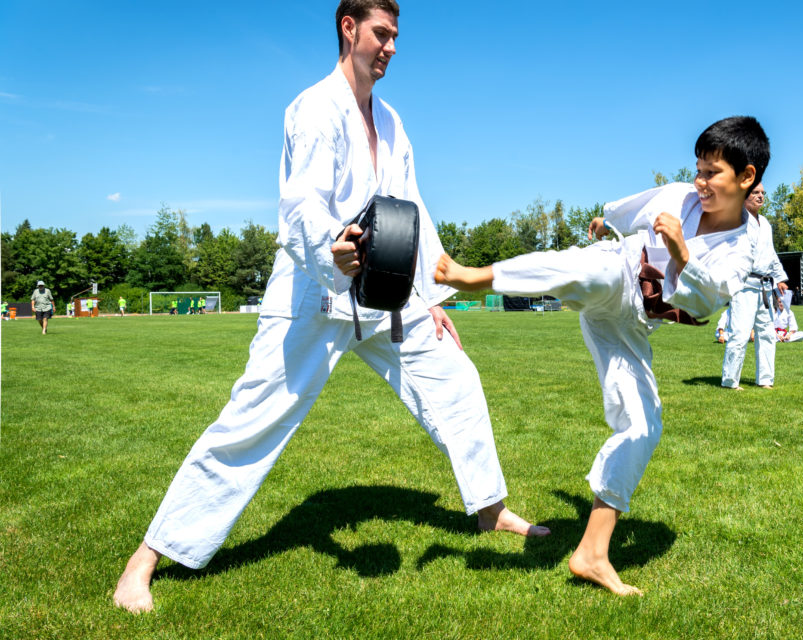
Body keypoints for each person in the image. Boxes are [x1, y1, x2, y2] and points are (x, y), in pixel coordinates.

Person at [113, 0, 548, 614]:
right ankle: (147, 558)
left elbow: (410, 210)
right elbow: (300, 207)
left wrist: (431, 295)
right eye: (381, 33)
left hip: (383, 296)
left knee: (457, 380)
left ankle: (491, 510)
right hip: (312, 294)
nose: (390, 46)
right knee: (251, 419)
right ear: (349, 30)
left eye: (396, 36)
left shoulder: (393, 122)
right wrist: (332, 249)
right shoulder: (315, 108)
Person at [435, 115, 768, 595]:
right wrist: (605, 221)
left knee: (643, 426)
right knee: (587, 268)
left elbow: (704, 302)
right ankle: (472, 275)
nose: (700, 182)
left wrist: (680, 251)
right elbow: (623, 210)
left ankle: (591, 552)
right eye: (698, 169)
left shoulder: (742, 247)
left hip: (631, 323)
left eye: (712, 172)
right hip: (619, 271)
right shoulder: (678, 195)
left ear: (747, 177)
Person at [721, 183, 788, 390]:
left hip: (764, 286)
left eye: (762, 193)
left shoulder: (766, 223)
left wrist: (780, 278)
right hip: (744, 284)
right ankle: (730, 381)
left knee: (767, 334)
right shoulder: (736, 219)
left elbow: (771, 253)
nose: (760, 196)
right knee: (740, 333)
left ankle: (765, 379)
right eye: (756, 193)